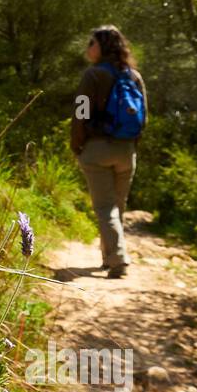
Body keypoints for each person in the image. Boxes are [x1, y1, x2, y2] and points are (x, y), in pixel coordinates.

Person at [70, 26, 147, 279]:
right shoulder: (133, 76)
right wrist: (131, 147)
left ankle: (118, 261)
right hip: (126, 151)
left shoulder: (93, 75)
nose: (87, 47)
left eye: (91, 42)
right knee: (117, 207)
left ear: (101, 46)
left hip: (97, 150)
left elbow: (80, 114)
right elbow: (143, 115)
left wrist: (77, 146)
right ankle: (109, 257)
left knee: (105, 208)